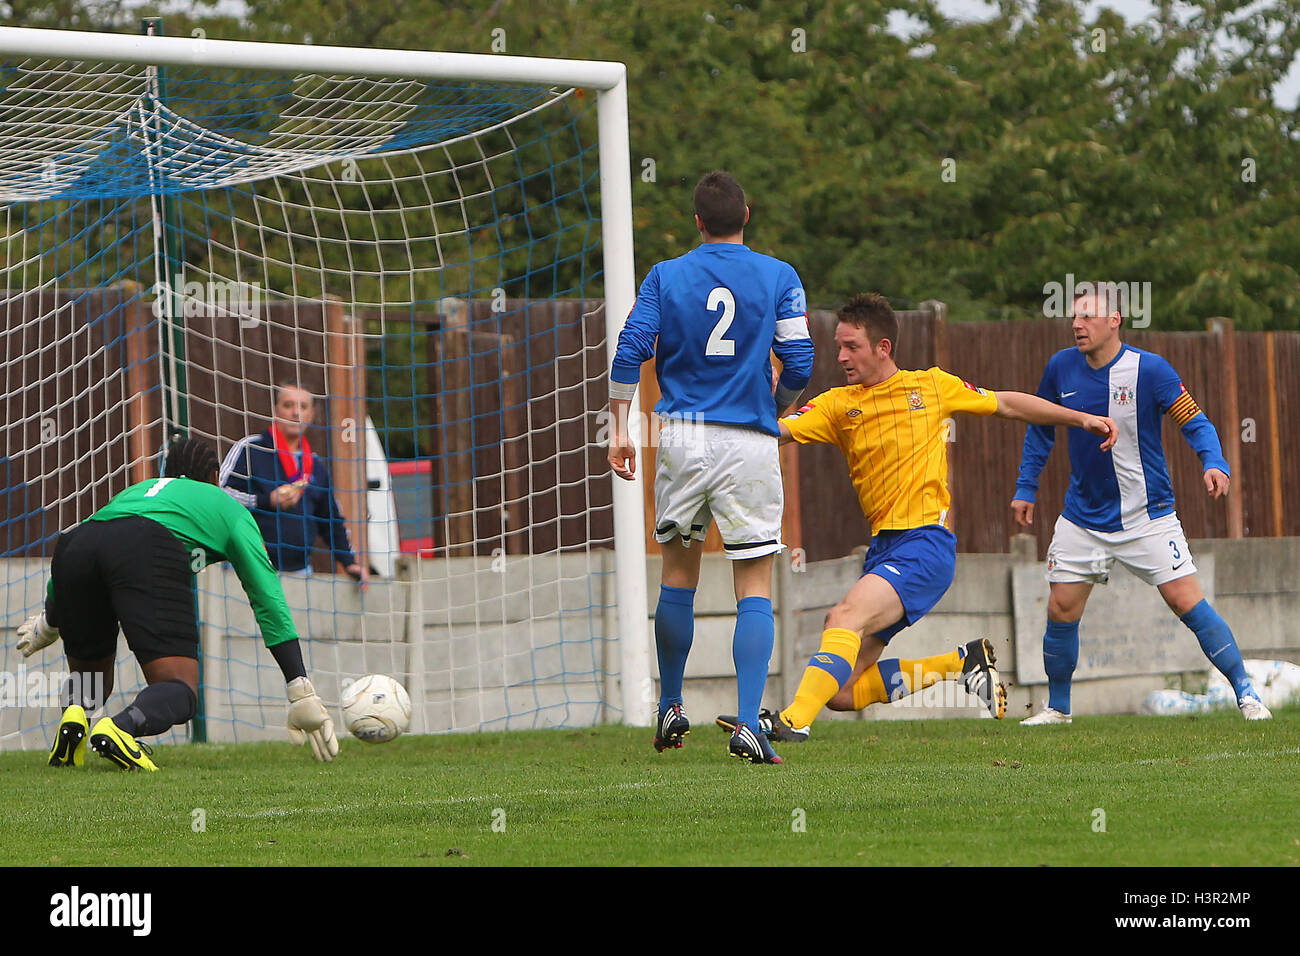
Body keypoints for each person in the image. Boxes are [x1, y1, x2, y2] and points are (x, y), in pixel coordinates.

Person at [736, 292, 1118, 745]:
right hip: (884, 551)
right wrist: (749, 398)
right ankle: (958, 664)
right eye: (838, 346)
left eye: (851, 346)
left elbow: (1009, 404)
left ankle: (789, 722)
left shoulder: (931, 386)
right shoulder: (838, 405)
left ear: (883, 348)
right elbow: (772, 433)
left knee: (843, 616)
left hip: (925, 545)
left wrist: (1080, 418)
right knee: (839, 694)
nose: (840, 356)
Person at [607, 170, 814, 764]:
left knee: (678, 574)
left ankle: (671, 704)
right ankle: (748, 723)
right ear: (745, 215)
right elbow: (799, 356)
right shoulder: (779, 275)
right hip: (748, 440)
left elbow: (629, 349)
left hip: (682, 438)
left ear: (697, 221)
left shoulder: (665, 276)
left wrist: (620, 428)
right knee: (752, 583)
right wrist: (776, 407)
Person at [1011, 287, 1270, 723]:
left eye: (1088, 316)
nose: (1077, 324)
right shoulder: (1060, 368)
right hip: (1083, 517)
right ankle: (1058, 709)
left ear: (1115, 320)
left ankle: (1247, 694)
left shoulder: (1149, 370)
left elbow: (1195, 420)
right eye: (1074, 316)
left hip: (1146, 516)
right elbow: (1041, 427)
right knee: (1060, 608)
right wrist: (1025, 485)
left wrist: (1214, 461)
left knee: (1187, 603)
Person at [15, 437, 339, 770]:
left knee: (93, 679)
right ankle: (120, 728)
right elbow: (266, 596)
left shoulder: (137, 491)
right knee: (179, 688)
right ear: (215, 477)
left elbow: (88, 544)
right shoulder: (224, 504)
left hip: (75, 546)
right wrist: (299, 686)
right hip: (142, 547)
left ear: (166, 474)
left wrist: (50, 620)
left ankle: (74, 718)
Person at [220, 382, 368, 589]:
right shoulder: (250, 449)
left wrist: (349, 562)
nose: (295, 413)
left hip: (299, 571)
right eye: (288, 405)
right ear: (276, 410)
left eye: (303, 407)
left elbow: (331, 520)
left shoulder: (315, 465)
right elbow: (222, 496)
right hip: (248, 566)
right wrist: (266, 501)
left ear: (312, 414)